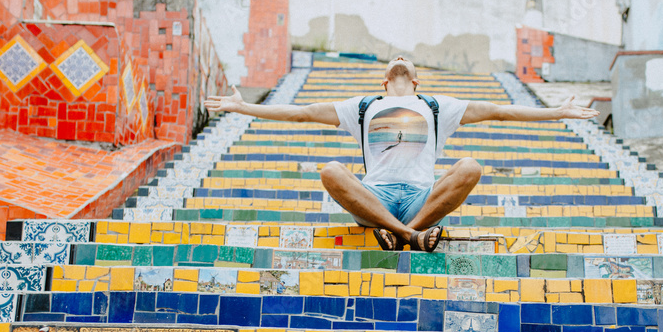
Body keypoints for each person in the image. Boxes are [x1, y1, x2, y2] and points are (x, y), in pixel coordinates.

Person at [204, 57, 599, 252]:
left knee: (470, 166)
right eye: (393, 60)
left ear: (414, 80)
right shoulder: (361, 107)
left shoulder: (438, 106)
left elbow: (502, 110)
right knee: (330, 170)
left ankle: (402, 231)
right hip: (374, 200)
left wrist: (557, 112)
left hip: (419, 200)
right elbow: (300, 113)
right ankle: (412, 237)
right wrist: (242, 108)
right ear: (384, 81)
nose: (398, 57)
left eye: (404, 61)